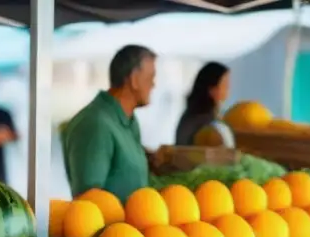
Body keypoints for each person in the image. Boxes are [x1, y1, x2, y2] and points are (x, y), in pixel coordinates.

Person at [62, 45, 161, 202]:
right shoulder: (94, 124)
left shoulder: (129, 120)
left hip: (136, 223)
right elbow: (87, 201)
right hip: (111, 227)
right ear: (134, 79)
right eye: (151, 78)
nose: (154, 85)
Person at [175, 62, 230, 146]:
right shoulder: (207, 122)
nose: (227, 91)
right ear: (212, 89)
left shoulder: (192, 115)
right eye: (225, 85)